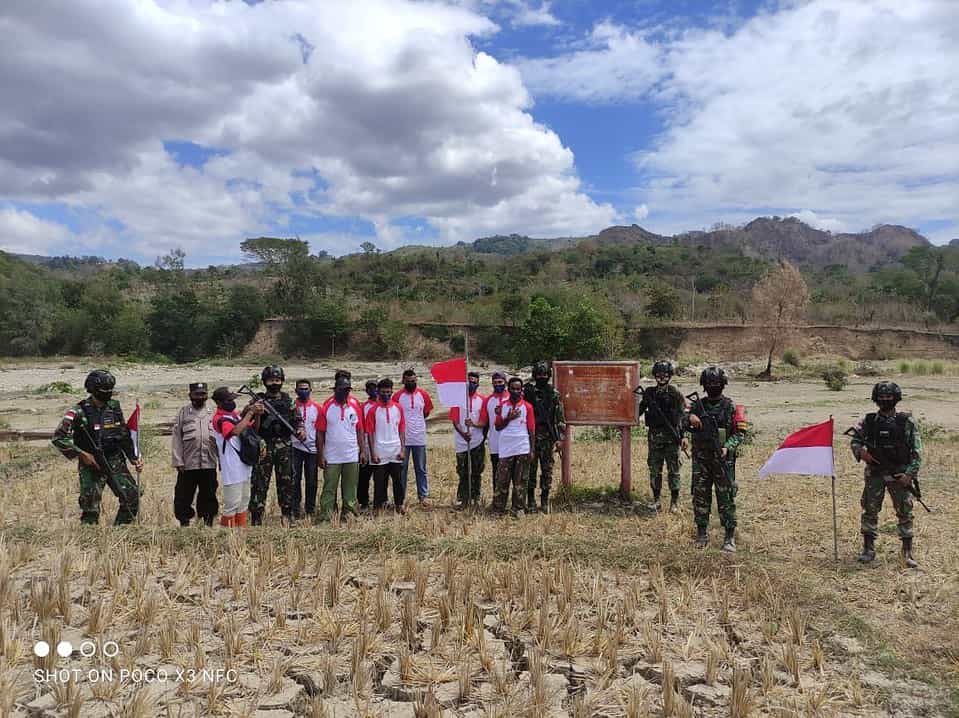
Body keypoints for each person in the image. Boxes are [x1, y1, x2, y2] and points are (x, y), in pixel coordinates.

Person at [52, 370, 143, 525]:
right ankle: (90, 537)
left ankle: (121, 533)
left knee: (132, 496)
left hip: (115, 459)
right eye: (103, 391)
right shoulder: (78, 411)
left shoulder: (114, 407)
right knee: (90, 506)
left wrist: (134, 457)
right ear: (92, 390)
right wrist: (82, 454)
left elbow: (123, 435)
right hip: (91, 462)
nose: (107, 394)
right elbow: (59, 438)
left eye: (110, 391)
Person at [849, 381, 922, 568]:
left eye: (889, 396)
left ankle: (907, 552)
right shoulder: (869, 421)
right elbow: (855, 441)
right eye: (882, 397)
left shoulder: (907, 422)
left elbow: (917, 451)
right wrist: (861, 453)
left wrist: (909, 474)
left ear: (896, 398)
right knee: (870, 510)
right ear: (876, 398)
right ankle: (868, 549)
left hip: (900, 474)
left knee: (905, 511)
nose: (885, 399)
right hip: (875, 474)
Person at [686, 367, 746, 551]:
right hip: (701, 460)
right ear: (703, 385)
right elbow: (681, 421)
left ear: (723, 385)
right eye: (710, 383)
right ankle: (702, 534)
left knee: (726, 498)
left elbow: (741, 433)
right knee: (700, 496)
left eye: (716, 383)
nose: (713, 386)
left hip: (723, 461)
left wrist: (728, 447)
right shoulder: (697, 405)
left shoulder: (731, 407)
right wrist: (690, 417)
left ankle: (729, 537)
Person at [248, 365, 306, 526]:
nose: (274, 383)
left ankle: (287, 514)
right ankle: (256, 516)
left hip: (284, 445)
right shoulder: (257, 400)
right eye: (271, 380)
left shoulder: (288, 401)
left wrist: (301, 430)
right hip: (264, 446)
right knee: (259, 482)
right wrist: (256, 412)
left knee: (287, 481)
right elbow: (251, 426)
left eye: (277, 380)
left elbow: (298, 420)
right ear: (265, 382)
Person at [637, 361, 688, 513]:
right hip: (654, 439)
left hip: (672, 439)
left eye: (665, 375)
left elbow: (682, 416)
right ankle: (656, 500)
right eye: (658, 375)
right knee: (654, 470)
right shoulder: (649, 393)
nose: (661, 378)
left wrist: (684, 436)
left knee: (674, 471)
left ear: (670, 376)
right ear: (654, 376)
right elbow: (639, 410)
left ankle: (674, 503)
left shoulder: (675, 393)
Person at [316, 377, 367, 520]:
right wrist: (320, 455)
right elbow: (320, 433)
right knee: (329, 488)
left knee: (350, 488)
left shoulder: (355, 406)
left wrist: (362, 451)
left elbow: (360, 430)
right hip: (332, 456)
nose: (344, 393)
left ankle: (349, 513)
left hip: (351, 454)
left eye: (347, 390)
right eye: (341, 390)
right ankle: (327, 515)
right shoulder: (327, 406)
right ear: (335, 390)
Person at [211, 387, 263, 528]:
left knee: (244, 501)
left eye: (233, 399)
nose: (232, 402)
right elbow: (234, 431)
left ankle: (240, 532)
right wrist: (250, 412)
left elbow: (253, 430)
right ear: (219, 402)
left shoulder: (234, 416)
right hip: (232, 466)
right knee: (232, 502)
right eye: (229, 399)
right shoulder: (219, 419)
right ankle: (226, 533)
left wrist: (257, 414)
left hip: (244, 464)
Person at [171, 382, 218, 526]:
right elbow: (177, 438)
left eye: (203, 394)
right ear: (190, 395)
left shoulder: (213, 412)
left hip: (208, 462)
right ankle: (184, 523)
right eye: (197, 394)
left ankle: (207, 522)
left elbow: (220, 438)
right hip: (188, 463)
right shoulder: (183, 413)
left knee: (208, 495)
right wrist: (178, 461)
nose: (200, 397)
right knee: (183, 496)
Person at [523, 361, 566, 514]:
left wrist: (560, 439)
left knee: (547, 470)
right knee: (530, 470)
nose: (542, 377)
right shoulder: (528, 392)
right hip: (531, 437)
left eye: (545, 374)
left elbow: (560, 418)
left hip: (548, 437)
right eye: (539, 374)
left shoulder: (554, 394)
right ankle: (531, 501)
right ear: (535, 375)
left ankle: (545, 500)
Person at [492, 377, 536, 516]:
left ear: (521, 390)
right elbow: (498, 427)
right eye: (513, 389)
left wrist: (532, 449)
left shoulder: (527, 407)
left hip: (522, 447)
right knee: (502, 480)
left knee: (520, 481)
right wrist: (508, 418)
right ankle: (499, 509)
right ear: (508, 389)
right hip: (505, 448)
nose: (516, 391)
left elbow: (531, 430)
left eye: (518, 389)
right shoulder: (502, 406)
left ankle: (518, 508)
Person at [393, 368, 434, 506]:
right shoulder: (397, 396)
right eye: (408, 381)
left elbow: (426, 412)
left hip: (419, 438)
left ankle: (423, 496)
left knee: (421, 469)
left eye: (413, 381)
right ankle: (401, 497)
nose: (411, 383)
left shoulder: (423, 394)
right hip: (403, 440)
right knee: (402, 469)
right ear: (403, 380)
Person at [367, 378, 407, 513]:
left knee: (398, 480)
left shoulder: (398, 408)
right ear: (378, 392)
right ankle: (378, 507)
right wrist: (373, 453)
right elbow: (370, 433)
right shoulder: (373, 410)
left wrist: (402, 449)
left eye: (389, 392)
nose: (386, 395)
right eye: (383, 392)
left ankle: (399, 505)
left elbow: (401, 429)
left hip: (395, 450)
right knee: (379, 482)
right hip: (380, 451)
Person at [451, 371, 488, 509]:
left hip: (477, 442)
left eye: (474, 382)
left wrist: (473, 425)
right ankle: (463, 499)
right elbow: (454, 421)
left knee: (477, 471)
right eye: (469, 381)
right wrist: (463, 434)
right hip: (462, 442)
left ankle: (476, 498)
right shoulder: (457, 400)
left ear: (478, 384)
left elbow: (484, 421)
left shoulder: (483, 400)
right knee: (463, 472)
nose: (471, 384)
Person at [291, 379, 321, 520]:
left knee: (311, 480)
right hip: (295, 448)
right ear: (296, 391)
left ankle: (310, 509)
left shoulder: (317, 408)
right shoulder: (290, 407)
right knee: (294, 480)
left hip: (312, 449)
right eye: (301, 389)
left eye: (306, 388)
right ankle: (295, 509)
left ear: (311, 390)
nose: (303, 391)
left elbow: (321, 431)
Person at [358, 379, 380, 511]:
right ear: (366, 391)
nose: (374, 391)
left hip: (381, 445)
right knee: (364, 477)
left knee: (381, 477)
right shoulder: (363, 407)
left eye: (376, 388)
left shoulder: (385, 405)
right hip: (366, 445)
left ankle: (381, 500)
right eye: (370, 388)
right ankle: (364, 502)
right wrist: (362, 449)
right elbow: (360, 427)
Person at [483, 372, 507, 495]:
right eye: (495, 383)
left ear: (505, 382)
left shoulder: (513, 397)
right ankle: (497, 500)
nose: (498, 385)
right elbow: (484, 422)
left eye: (500, 382)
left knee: (513, 474)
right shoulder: (488, 400)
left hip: (511, 443)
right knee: (496, 473)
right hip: (495, 443)